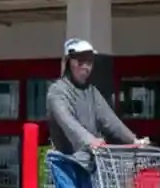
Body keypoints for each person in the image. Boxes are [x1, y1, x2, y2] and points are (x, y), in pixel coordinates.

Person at [45, 39, 148, 188]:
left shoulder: (91, 92)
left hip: (87, 162)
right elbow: (67, 122)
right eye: (80, 61)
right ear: (69, 62)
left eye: (90, 61)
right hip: (65, 161)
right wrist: (90, 140)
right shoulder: (57, 91)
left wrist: (133, 140)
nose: (85, 66)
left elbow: (109, 120)